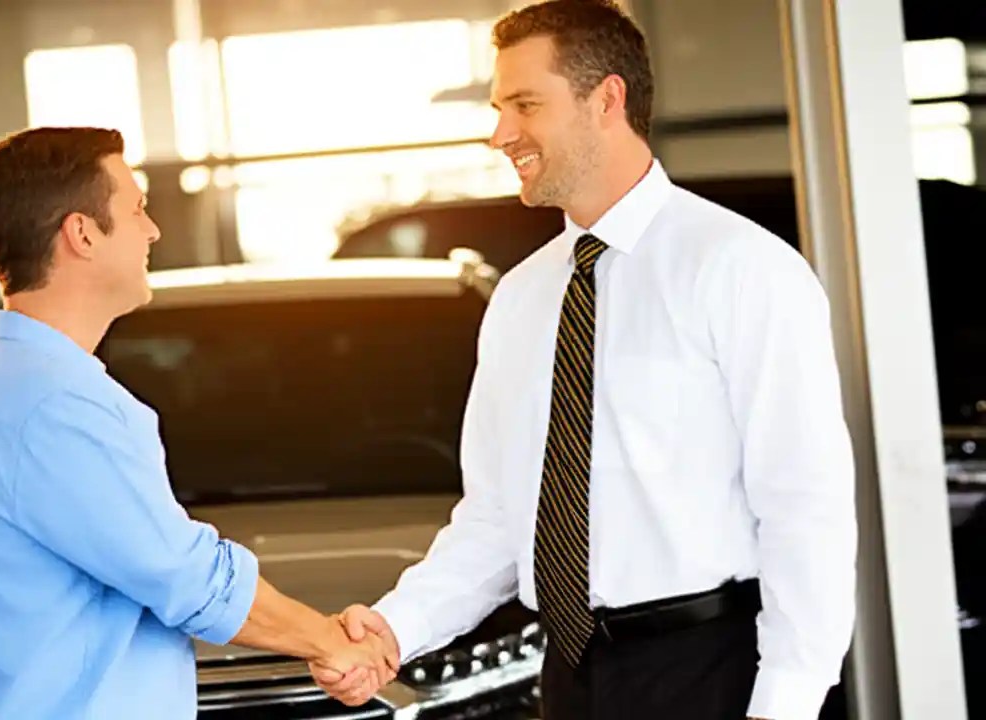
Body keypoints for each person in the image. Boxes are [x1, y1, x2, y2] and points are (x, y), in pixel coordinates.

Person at [313, 1, 857, 718]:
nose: (501, 133)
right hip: (569, 676)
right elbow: (499, 523)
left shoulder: (740, 268)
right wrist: (394, 629)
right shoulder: (521, 298)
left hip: (713, 672)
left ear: (607, 99)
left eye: (525, 105)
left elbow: (803, 506)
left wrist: (786, 701)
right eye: (498, 107)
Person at [0, 126, 394, 719]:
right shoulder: (53, 404)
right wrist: (329, 640)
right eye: (138, 209)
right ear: (83, 233)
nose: (153, 231)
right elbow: (189, 580)